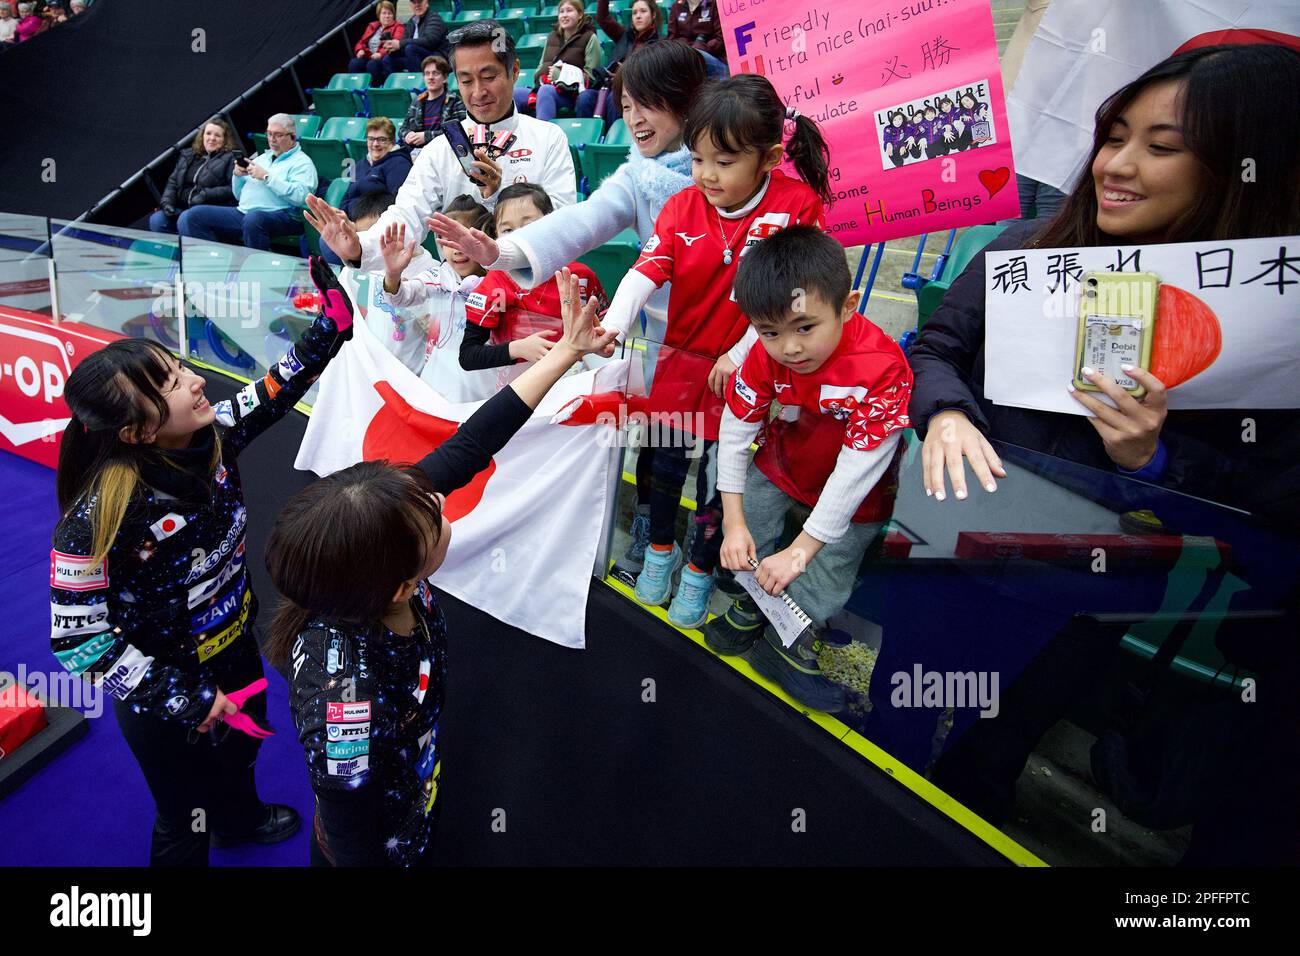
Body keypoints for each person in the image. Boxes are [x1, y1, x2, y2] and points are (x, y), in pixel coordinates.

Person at [908, 43, 1300, 836]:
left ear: (1242, 169)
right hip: (956, 539)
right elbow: (934, 349)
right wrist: (945, 412)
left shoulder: (1272, 329)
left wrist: (1155, 460)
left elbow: (1273, 503)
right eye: (1114, 136)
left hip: (1095, 588)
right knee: (905, 707)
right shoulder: (1027, 248)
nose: (1116, 165)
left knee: (993, 751)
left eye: (1161, 147)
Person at [266, 269, 617, 867]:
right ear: (404, 585)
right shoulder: (343, 693)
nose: (438, 496)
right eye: (434, 515)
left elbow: (476, 440)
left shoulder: (384, 535)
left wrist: (566, 353)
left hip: (417, 799)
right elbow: (351, 829)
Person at [49, 257, 355, 866]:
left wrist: (334, 320)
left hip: (235, 646)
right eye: (168, 384)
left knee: (239, 756)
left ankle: (238, 822)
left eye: (177, 367)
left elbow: (278, 386)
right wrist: (183, 697)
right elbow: (77, 641)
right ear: (134, 432)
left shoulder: (211, 435)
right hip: (164, 692)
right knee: (179, 817)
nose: (193, 381)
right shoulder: (94, 518)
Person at [428, 40, 706, 577]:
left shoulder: (722, 176)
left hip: (727, 349)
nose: (634, 120)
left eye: (649, 104)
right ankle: (653, 536)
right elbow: (586, 219)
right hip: (666, 345)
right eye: (625, 106)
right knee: (660, 443)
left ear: (689, 102)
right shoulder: (636, 175)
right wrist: (502, 252)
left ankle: (700, 560)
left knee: (716, 460)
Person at [599, 73, 830, 625]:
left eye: (724, 163)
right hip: (682, 364)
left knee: (717, 481)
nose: (706, 175)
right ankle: (659, 554)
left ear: (770, 157)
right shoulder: (682, 207)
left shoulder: (796, 206)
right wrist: (611, 325)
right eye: (698, 159)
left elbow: (789, 295)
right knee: (662, 466)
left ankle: (701, 569)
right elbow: (645, 270)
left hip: (746, 374)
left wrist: (747, 350)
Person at [708, 227, 912, 711]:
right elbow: (736, 431)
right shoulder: (763, 354)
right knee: (749, 514)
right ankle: (752, 602)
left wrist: (800, 552)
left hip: (856, 488)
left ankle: (792, 636)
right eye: (770, 332)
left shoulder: (884, 368)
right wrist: (733, 524)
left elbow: (856, 472)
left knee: (832, 561)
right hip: (786, 458)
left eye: (805, 327)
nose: (789, 349)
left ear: (849, 305)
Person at [306, 20, 576, 273]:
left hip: (531, 290)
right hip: (460, 299)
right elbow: (407, 213)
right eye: (466, 80)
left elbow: (562, 225)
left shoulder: (548, 138)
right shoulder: (440, 149)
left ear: (514, 71)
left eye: (489, 76)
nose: (478, 92)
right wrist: (360, 248)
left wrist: (497, 196)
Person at [460, 184, 605, 389]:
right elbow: (468, 356)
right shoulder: (494, 284)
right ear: (496, 234)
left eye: (529, 226)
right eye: (508, 230)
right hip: (517, 394)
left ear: (551, 223)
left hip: (575, 388)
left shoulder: (580, 276)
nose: (520, 237)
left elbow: (603, 329)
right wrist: (518, 349)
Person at [372, 193, 500, 402]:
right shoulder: (440, 276)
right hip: (435, 387)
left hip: (481, 392)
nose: (456, 250)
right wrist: (393, 275)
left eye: (464, 240)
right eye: (447, 241)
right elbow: (401, 296)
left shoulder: (499, 284)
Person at [178, 113, 317, 251]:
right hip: (244, 212)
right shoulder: (262, 158)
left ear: (292, 136)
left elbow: (301, 197)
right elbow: (239, 196)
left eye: (278, 135)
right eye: (269, 134)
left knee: (254, 219)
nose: (272, 139)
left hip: (282, 215)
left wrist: (267, 177)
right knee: (190, 217)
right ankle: (213, 261)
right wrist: (237, 175)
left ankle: (256, 267)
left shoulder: (302, 162)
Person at [513, 0, 603, 122]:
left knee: (546, 91)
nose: (564, 15)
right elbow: (541, 66)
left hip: (571, 94)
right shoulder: (552, 37)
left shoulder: (589, 37)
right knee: (514, 94)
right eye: (561, 12)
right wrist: (541, 78)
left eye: (569, 10)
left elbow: (592, 77)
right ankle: (510, 138)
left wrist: (563, 77)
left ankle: (544, 139)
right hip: (545, 86)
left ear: (580, 14)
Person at [149, 118, 239, 235]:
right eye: (208, 133)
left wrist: (205, 194)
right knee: (157, 220)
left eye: (217, 135)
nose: (212, 138)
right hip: (180, 207)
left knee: (186, 219)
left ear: (225, 140)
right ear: (202, 136)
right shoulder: (187, 155)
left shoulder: (230, 158)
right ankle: (176, 251)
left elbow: (232, 189)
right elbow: (173, 183)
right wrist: (167, 203)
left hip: (205, 209)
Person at [588, 0, 661, 127]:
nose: (638, 16)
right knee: (585, 98)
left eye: (643, 11)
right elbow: (602, 17)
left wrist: (625, 71)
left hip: (633, 89)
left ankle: (613, 139)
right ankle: (589, 139)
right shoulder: (624, 35)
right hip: (608, 85)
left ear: (653, 15)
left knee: (614, 99)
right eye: (634, 13)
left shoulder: (659, 44)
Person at [398, 55, 467, 151]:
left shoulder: (454, 101)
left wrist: (426, 137)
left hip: (444, 152)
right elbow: (403, 128)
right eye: (427, 73)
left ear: (445, 78)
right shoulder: (417, 101)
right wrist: (407, 135)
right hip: (416, 152)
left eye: (435, 73)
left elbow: (459, 132)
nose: (430, 77)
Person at [388, 0, 451, 76]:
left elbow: (429, 41)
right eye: (414, 3)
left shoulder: (434, 18)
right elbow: (403, 42)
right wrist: (393, 47)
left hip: (437, 58)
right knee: (387, 59)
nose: (417, 5)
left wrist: (400, 44)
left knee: (411, 49)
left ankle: (418, 83)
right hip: (416, 57)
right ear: (410, 5)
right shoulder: (411, 21)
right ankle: (392, 86)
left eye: (419, 2)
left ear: (426, 3)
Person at [665, 0, 726, 78]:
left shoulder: (715, 4)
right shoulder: (676, 6)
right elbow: (671, 38)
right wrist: (687, 49)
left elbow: (720, 39)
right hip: (684, 54)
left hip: (712, 56)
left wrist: (699, 48)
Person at [347, 1, 406, 83]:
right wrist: (359, 50)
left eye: (390, 13)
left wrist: (380, 54)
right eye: (384, 13)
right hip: (369, 56)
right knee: (354, 63)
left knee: (372, 64)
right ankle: (356, 89)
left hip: (386, 58)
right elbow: (361, 42)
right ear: (379, 15)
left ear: (393, 15)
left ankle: (375, 90)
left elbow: (394, 44)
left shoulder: (398, 27)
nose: (387, 16)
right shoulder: (373, 26)